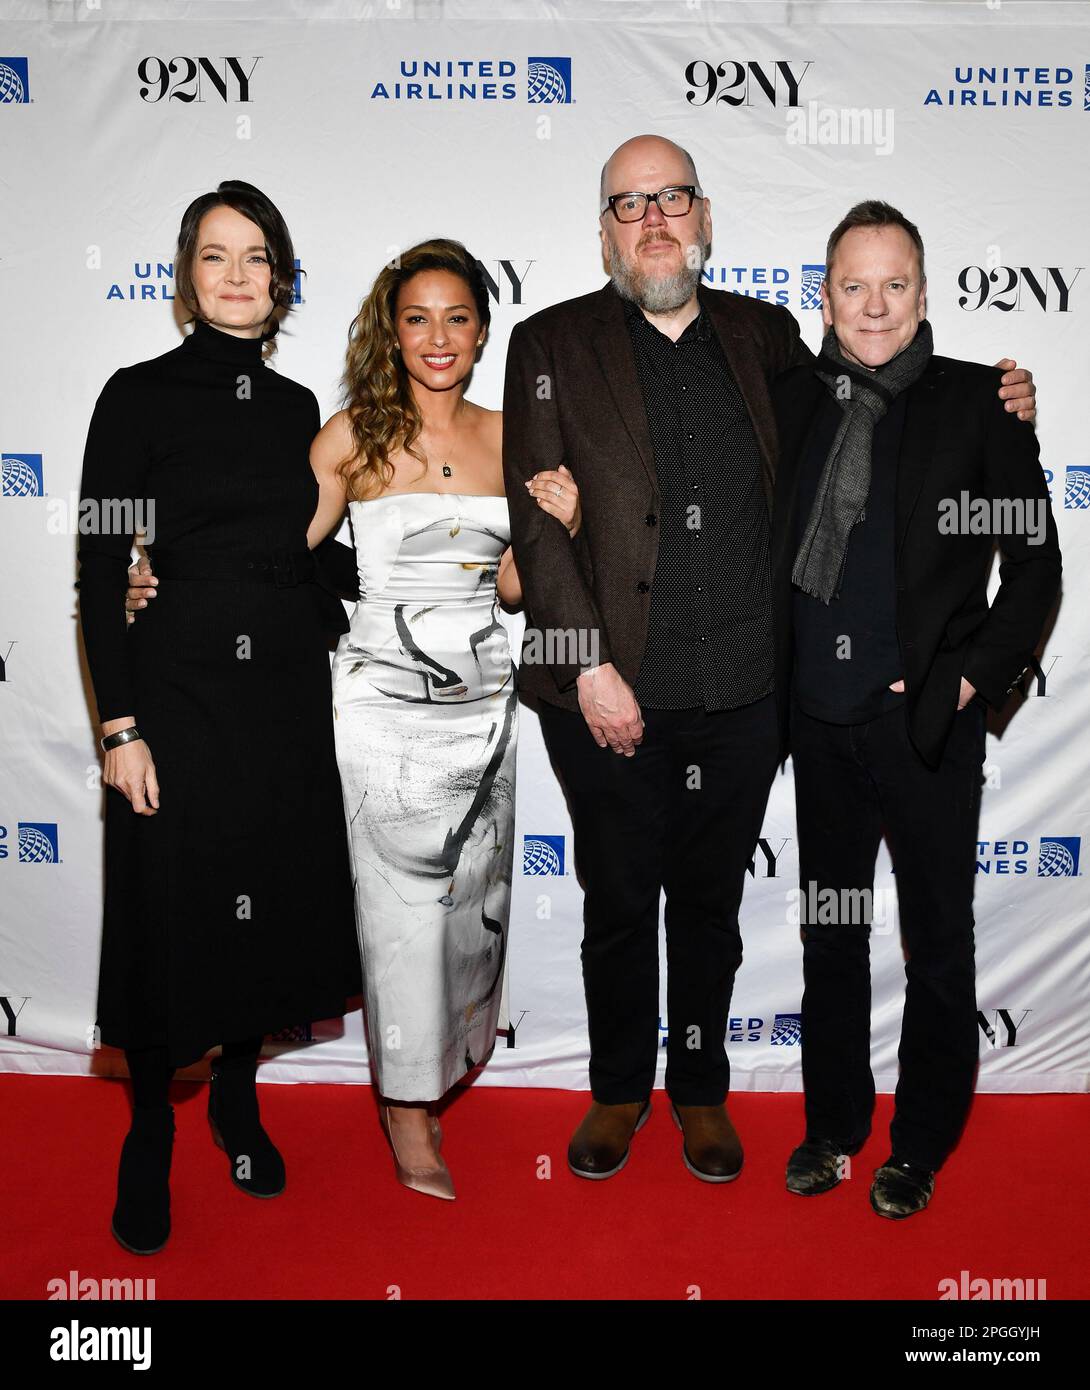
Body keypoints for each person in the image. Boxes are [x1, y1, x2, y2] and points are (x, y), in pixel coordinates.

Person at [500, 134, 1038, 1184]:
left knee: (708, 910)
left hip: (749, 697)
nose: (653, 221)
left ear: (703, 219)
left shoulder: (767, 338)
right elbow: (535, 526)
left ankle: (700, 1092)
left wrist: (1003, 394)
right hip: (608, 690)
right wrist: (588, 666)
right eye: (629, 204)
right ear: (604, 227)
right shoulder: (547, 341)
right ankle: (619, 1089)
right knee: (617, 905)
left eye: (672, 200)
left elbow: (875, 423)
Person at [130, 238, 581, 1201]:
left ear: (482, 328)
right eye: (416, 318)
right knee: (398, 923)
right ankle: (406, 1114)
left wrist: (560, 526)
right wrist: (153, 578)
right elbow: (267, 548)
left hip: (484, 709)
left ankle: (442, 1069)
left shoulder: (513, 438)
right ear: (392, 330)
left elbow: (509, 588)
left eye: (457, 317)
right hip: (379, 709)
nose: (438, 338)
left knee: (467, 916)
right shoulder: (349, 438)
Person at [78, 180, 361, 1255]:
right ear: (185, 277)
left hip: (283, 697)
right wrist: (120, 726)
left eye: (257, 257)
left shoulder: (298, 413)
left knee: (264, 912)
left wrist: (439, 549)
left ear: (282, 280)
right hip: (177, 699)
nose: (238, 275)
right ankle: (150, 1123)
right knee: (166, 916)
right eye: (215, 255)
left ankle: (238, 1103)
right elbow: (104, 566)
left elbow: (307, 555)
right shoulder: (133, 394)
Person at [771, 201, 1061, 1217]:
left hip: (925, 727)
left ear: (925, 292)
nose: (875, 305)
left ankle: (920, 1142)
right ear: (825, 296)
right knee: (832, 934)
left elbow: (1032, 568)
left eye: (896, 284)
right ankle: (833, 1124)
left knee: (936, 940)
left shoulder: (980, 403)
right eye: (854, 285)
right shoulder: (792, 402)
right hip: (817, 718)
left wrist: (972, 679)